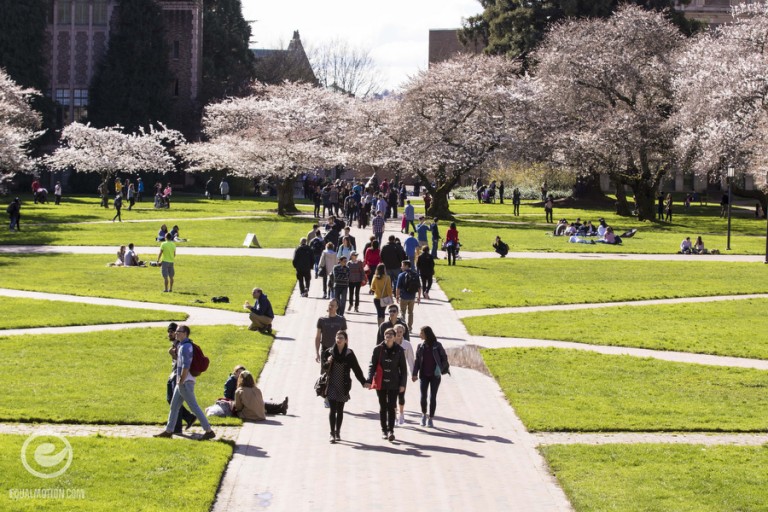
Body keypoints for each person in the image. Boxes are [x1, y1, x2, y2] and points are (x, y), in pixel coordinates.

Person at [154, 325, 216, 440]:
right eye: (176, 331)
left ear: (185, 333)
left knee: (194, 407)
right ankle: (169, 430)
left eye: (179, 331)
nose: (176, 333)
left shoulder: (185, 347)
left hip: (185, 382)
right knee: (174, 406)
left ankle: (208, 431)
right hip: (182, 382)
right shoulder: (183, 345)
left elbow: (186, 366)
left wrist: (181, 380)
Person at [322, 330, 367, 443]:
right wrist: (328, 362)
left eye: (341, 337)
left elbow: (356, 369)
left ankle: (338, 432)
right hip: (331, 384)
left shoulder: (349, 354)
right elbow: (324, 367)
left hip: (343, 385)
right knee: (333, 409)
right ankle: (332, 433)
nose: (339, 339)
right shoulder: (329, 352)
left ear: (346, 340)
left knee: (340, 410)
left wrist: (363, 382)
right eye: (337, 337)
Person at [367, 327, 407, 442]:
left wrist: (403, 384)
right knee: (383, 406)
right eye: (386, 334)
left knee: (392, 406)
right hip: (381, 381)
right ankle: (384, 430)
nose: (388, 336)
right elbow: (372, 365)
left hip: (394, 382)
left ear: (394, 337)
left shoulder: (399, 350)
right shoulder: (378, 349)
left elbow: (403, 369)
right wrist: (369, 379)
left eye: (390, 334)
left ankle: (391, 430)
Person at [161, 323, 197, 433]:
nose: (170, 334)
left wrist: (173, 355)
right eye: (169, 332)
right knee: (173, 401)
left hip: (178, 375)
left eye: (172, 332)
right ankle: (188, 418)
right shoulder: (176, 344)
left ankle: (177, 427)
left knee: (176, 402)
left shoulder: (180, 344)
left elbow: (182, 362)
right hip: (174, 374)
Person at [412, 326, 450, 428]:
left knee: (433, 397)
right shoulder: (420, 346)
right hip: (424, 375)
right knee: (423, 396)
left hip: (435, 376)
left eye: (421, 333)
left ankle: (431, 418)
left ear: (426, 334)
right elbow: (417, 361)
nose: (420, 335)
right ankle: (424, 415)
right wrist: (414, 374)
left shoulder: (437, 346)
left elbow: (444, 358)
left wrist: (440, 368)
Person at [393, 324, 415, 426]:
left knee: (401, 395)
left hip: (402, 373)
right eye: (396, 331)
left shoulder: (407, 345)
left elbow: (410, 359)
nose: (398, 333)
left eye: (400, 332)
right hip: (392, 373)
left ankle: (401, 414)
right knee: (392, 395)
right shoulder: (390, 342)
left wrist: (413, 373)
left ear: (403, 333)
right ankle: (394, 415)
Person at [396, 260, 421, 332]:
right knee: (410, 312)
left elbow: (398, 287)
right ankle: (410, 327)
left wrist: (397, 296)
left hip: (403, 297)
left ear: (407, 266)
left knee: (402, 312)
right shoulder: (415, 275)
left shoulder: (401, 275)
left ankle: (403, 327)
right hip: (412, 297)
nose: (401, 267)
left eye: (402, 265)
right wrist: (418, 297)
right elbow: (419, 287)